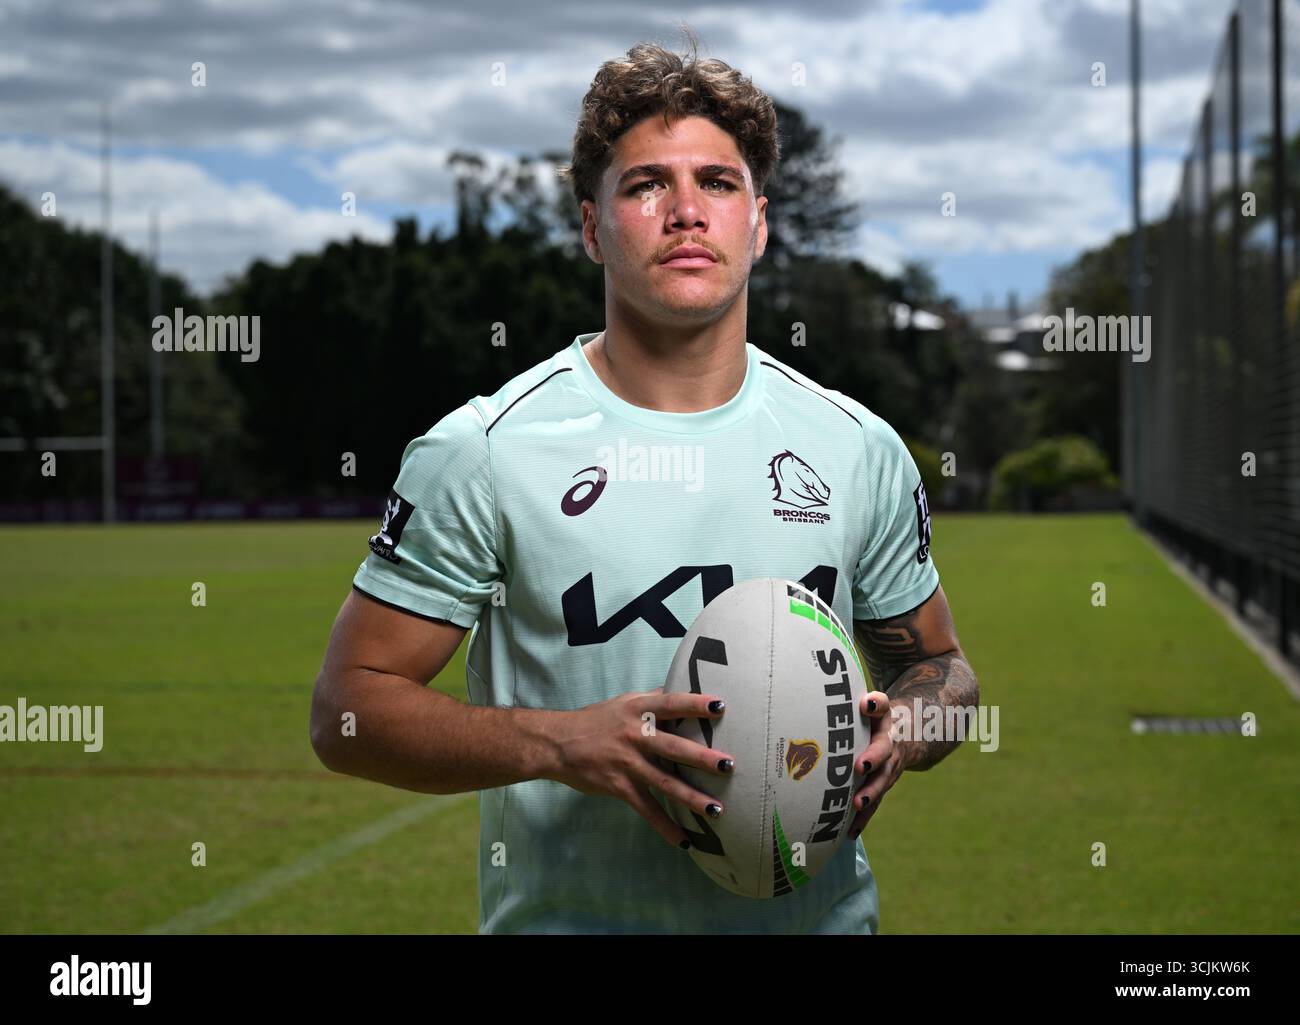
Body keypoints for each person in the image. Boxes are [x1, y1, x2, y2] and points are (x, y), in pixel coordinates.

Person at [310, 32, 979, 934]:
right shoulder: (486, 450)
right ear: (592, 227)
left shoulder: (855, 446)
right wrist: (560, 741)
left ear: (760, 221)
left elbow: (940, 668)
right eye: (645, 185)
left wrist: (907, 729)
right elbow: (348, 707)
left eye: (717, 181)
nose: (686, 212)